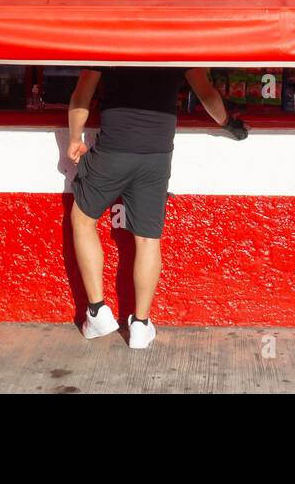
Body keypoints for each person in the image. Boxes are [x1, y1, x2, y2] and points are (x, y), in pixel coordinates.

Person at [66, 67, 249, 348]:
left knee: (82, 219)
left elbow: (81, 96)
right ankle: (140, 326)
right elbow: (207, 94)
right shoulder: (179, 43)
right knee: (148, 239)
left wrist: (75, 139)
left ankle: (97, 311)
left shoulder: (105, 36)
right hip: (157, 155)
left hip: (114, 151)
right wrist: (230, 125)